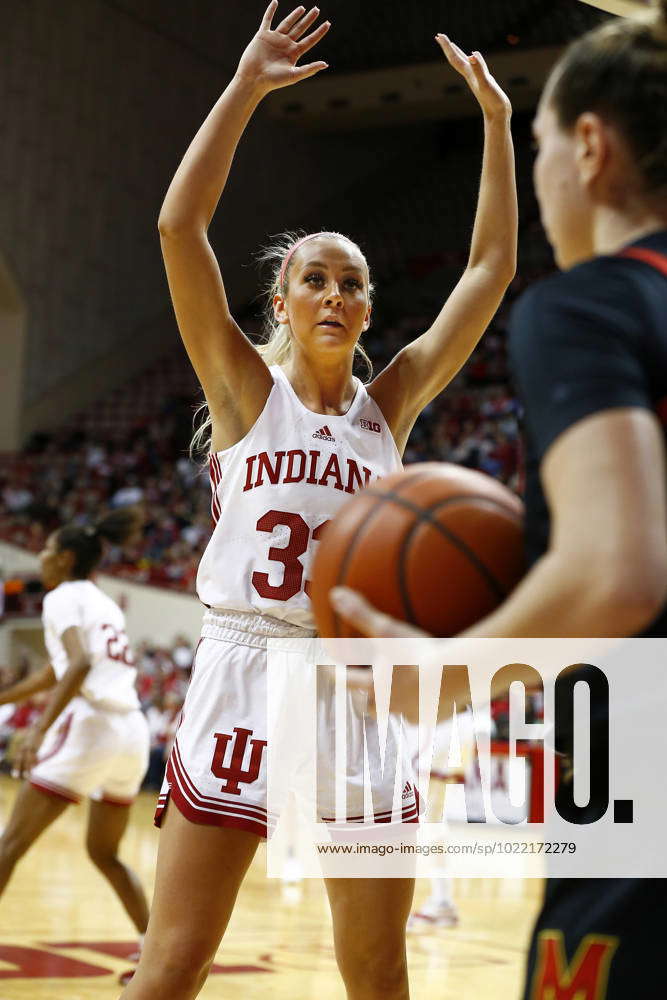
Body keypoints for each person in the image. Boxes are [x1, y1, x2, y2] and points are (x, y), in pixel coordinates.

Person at [123, 3, 517, 997]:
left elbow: (488, 270)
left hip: (350, 687)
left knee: (378, 970)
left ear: (370, 307)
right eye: (315, 279)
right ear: (284, 302)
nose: (335, 294)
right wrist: (244, 86)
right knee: (173, 964)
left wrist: (496, 125)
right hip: (243, 667)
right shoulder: (244, 390)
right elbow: (178, 227)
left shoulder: (391, 408)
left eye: (353, 282)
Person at [333, 1, 667, 996]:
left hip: (641, 766)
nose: (541, 170)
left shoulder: (592, 303)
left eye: (539, 146)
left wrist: (447, 673)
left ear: (589, 148)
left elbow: (616, 570)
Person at [0, 508, 150, 968]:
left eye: (47, 549)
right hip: (132, 732)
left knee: (9, 844)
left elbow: (79, 664)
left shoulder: (62, 596)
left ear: (65, 557)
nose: (41, 557)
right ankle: (152, 950)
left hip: (93, 726)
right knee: (104, 853)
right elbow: (56, 671)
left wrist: (38, 728)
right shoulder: (102, 601)